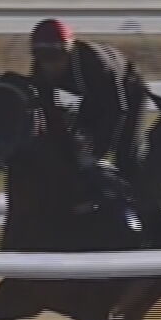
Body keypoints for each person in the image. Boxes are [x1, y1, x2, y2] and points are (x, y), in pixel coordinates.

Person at [26, 18, 152, 195]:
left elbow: (119, 109)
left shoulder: (95, 62)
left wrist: (99, 150)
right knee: (73, 146)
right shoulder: (40, 69)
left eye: (56, 57)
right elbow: (48, 109)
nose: (51, 65)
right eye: (44, 58)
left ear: (69, 51)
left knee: (126, 154)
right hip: (94, 95)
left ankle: (143, 200)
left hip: (129, 93)